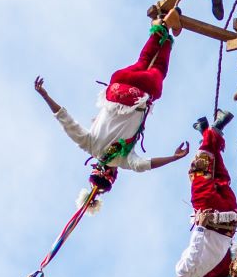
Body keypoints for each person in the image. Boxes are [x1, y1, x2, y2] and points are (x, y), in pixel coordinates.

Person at [34, 21, 187, 175]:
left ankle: (167, 37)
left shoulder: (123, 160)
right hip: (117, 85)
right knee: (143, 61)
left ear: (112, 173)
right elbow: (65, 120)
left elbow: (145, 164)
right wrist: (45, 95)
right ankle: (160, 28)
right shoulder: (89, 145)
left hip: (138, 95)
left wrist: (174, 158)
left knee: (159, 70)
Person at [172, 112, 237, 277]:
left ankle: (208, 133)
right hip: (209, 216)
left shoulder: (213, 276)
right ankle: (213, 131)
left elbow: (231, 251)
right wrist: (200, 227)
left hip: (230, 218)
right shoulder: (184, 271)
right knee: (199, 173)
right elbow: (195, 250)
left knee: (219, 179)